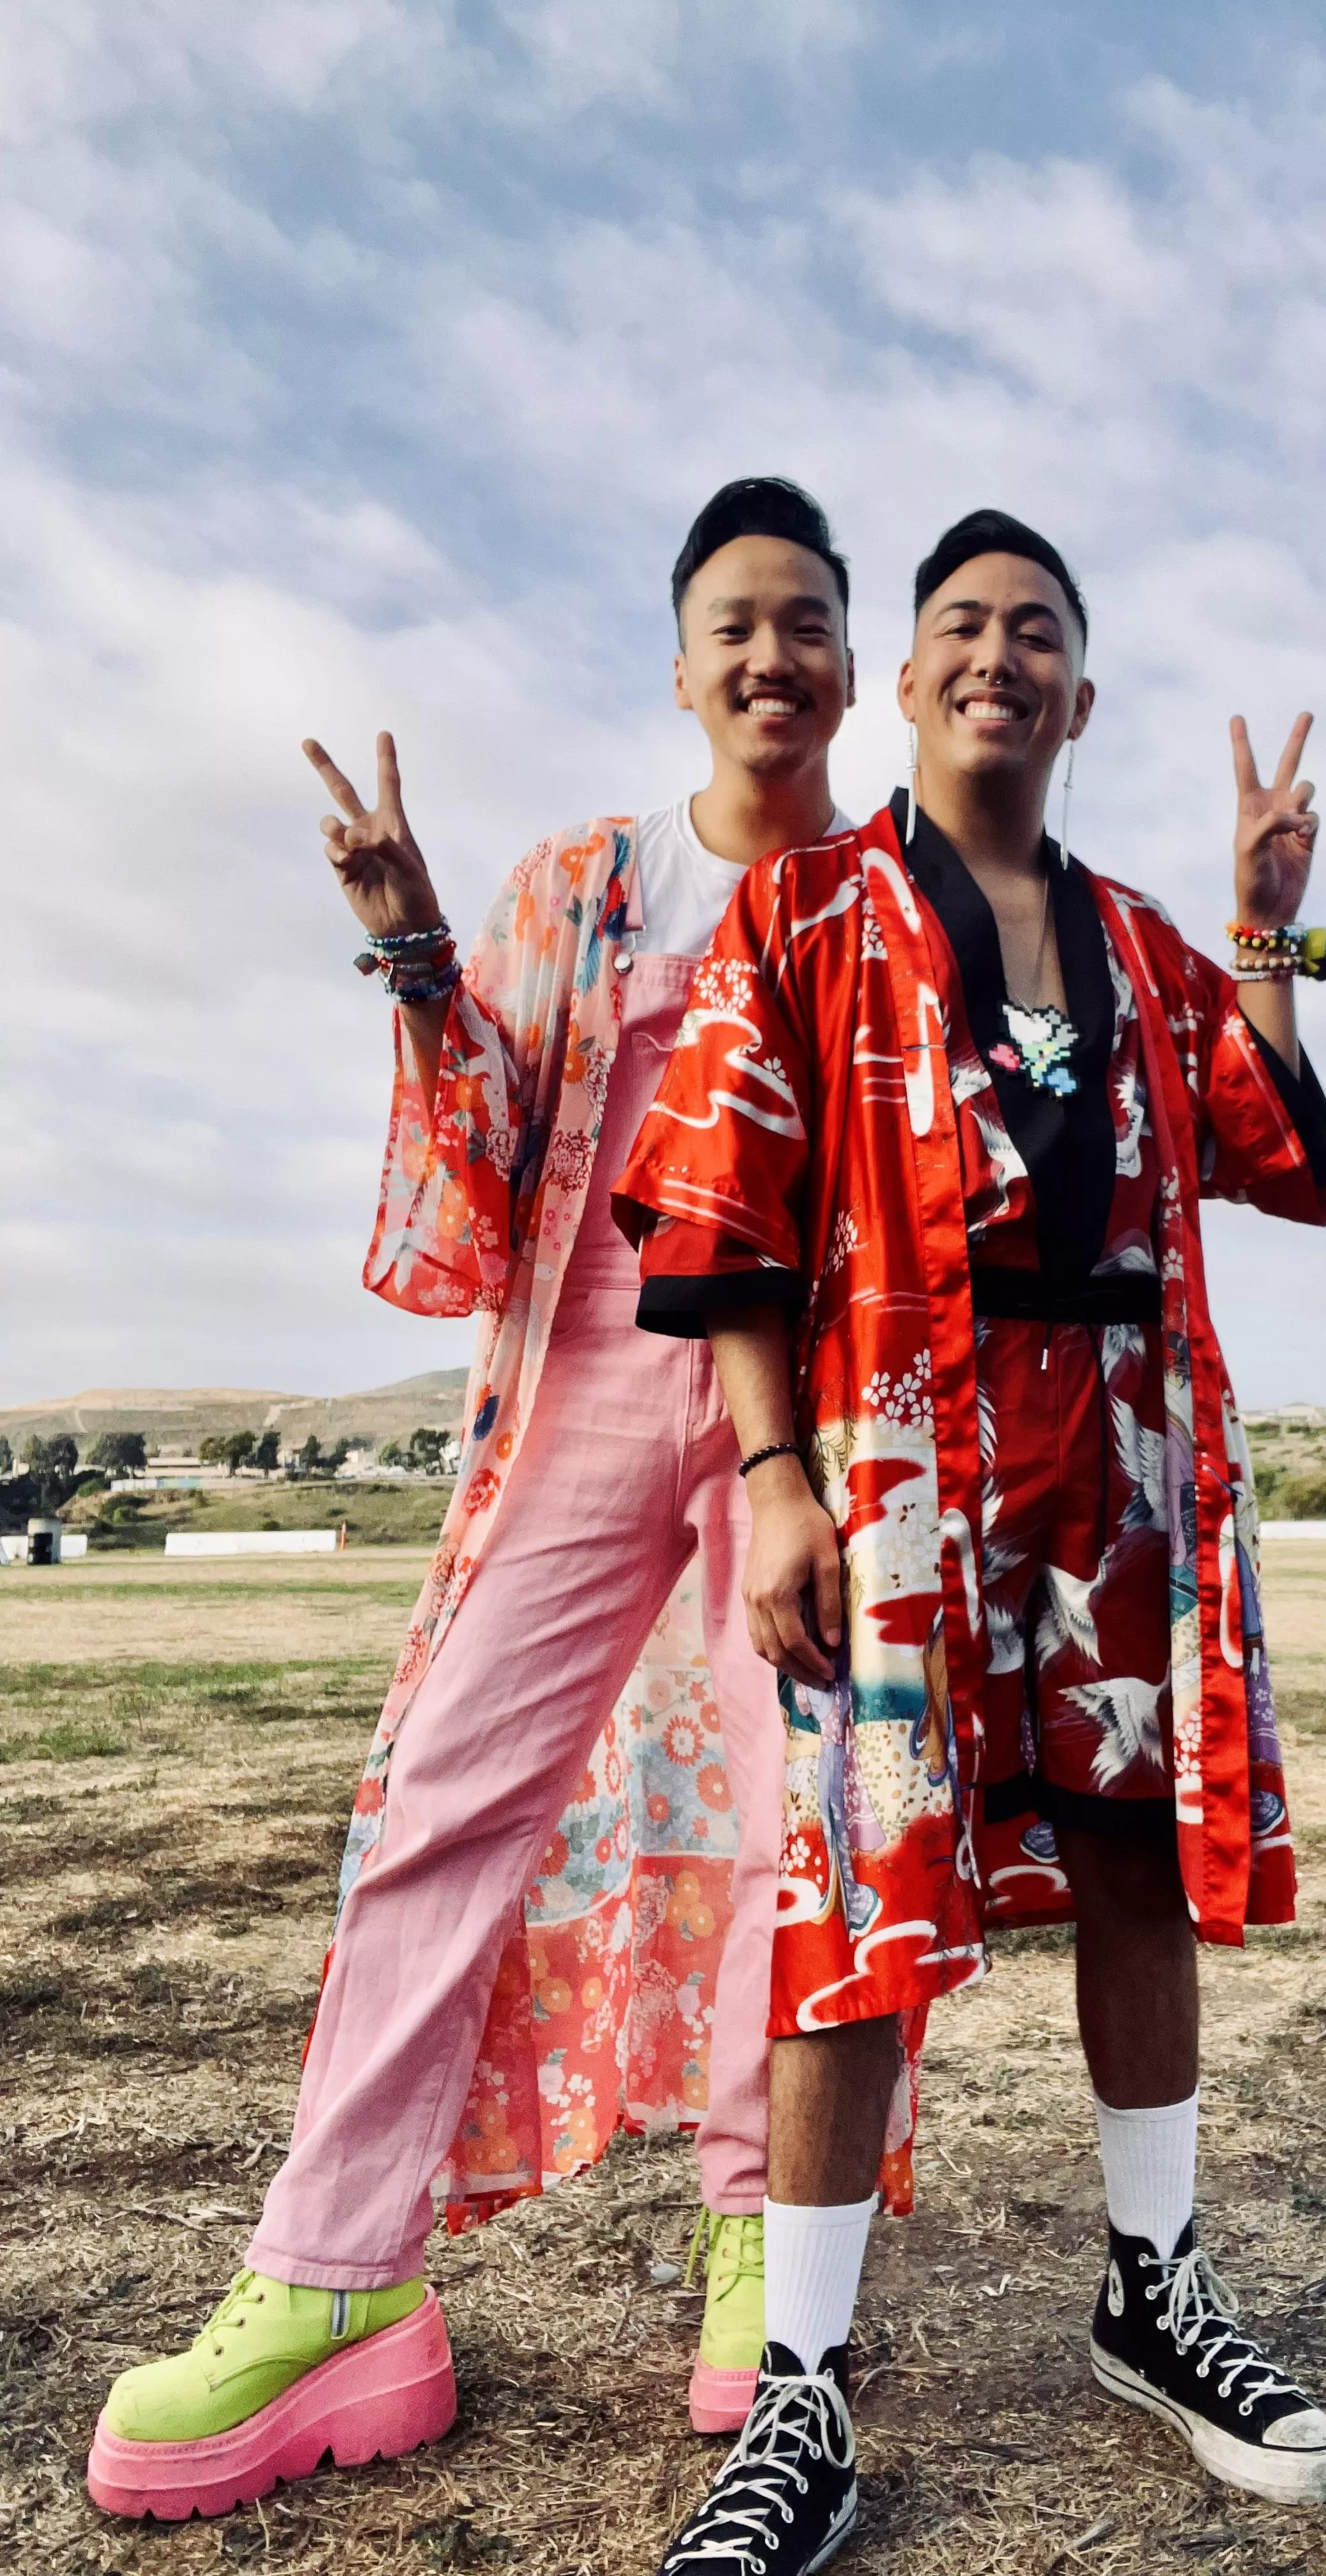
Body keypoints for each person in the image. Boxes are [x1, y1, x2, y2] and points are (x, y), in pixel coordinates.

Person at [86, 478, 867, 2524]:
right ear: (681, 666)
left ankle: (767, 2236)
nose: (769, 653)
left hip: (814, 1403)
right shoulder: (584, 883)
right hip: (595, 1373)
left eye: (803, 619)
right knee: (442, 1791)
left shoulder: (892, 901)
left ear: (852, 661)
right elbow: (487, 1156)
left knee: (804, 1819)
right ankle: (337, 2272)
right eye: (732, 622)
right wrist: (413, 949)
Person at [617, 509, 1326, 2575]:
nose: (996, 654)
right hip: (898, 1449)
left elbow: (1270, 1142)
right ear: (907, 677)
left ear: (1078, 694)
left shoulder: (1143, 942)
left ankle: (1153, 2288)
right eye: (961, 623)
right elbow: (725, 1214)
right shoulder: (806, 911)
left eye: (1037, 630)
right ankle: (801, 2391)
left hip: (1121, 1454)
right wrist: (775, 1473)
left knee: (1136, 1863)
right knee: (857, 1890)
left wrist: (1268, 930)